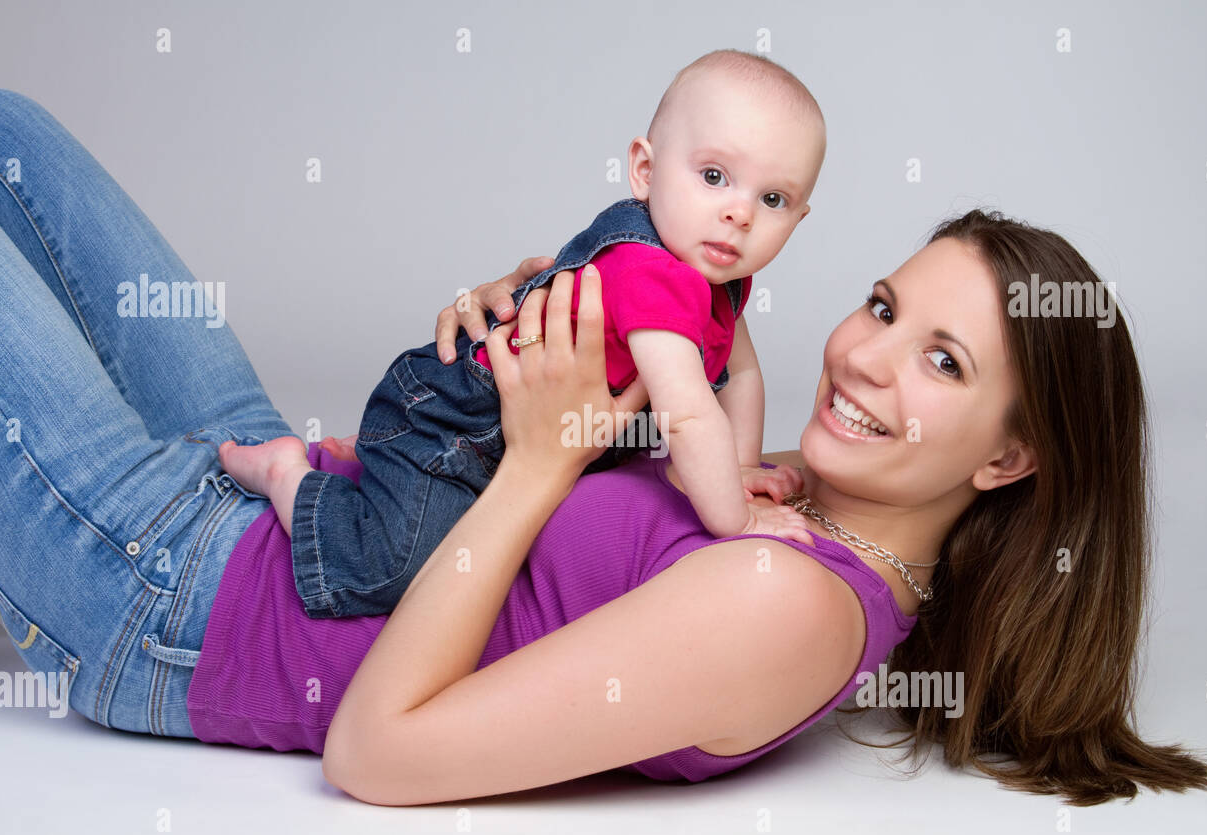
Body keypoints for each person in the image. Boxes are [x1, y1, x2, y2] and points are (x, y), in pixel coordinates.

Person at [0, 88, 1207, 808]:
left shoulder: (786, 599)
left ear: (1009, 461)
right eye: (885, 308)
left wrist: (538, 458)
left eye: (942, 363)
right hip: (287, 496)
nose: (863, 358)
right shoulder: (785, 499)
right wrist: (524, 321)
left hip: (178, 596)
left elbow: (379, 754)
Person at [216, 49, 826, 619]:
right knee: (389, 570)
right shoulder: (651, 273)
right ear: (645, 170)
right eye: (714, 175)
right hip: (454, 424)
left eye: (773, 198)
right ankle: (288, 474)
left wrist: (738, 467)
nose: (740, 213)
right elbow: (689, 415)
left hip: (536, 436)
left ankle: (372, 459)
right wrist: (738, 521)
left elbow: (742, 374)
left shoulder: (717, 278)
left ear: (800, 219)